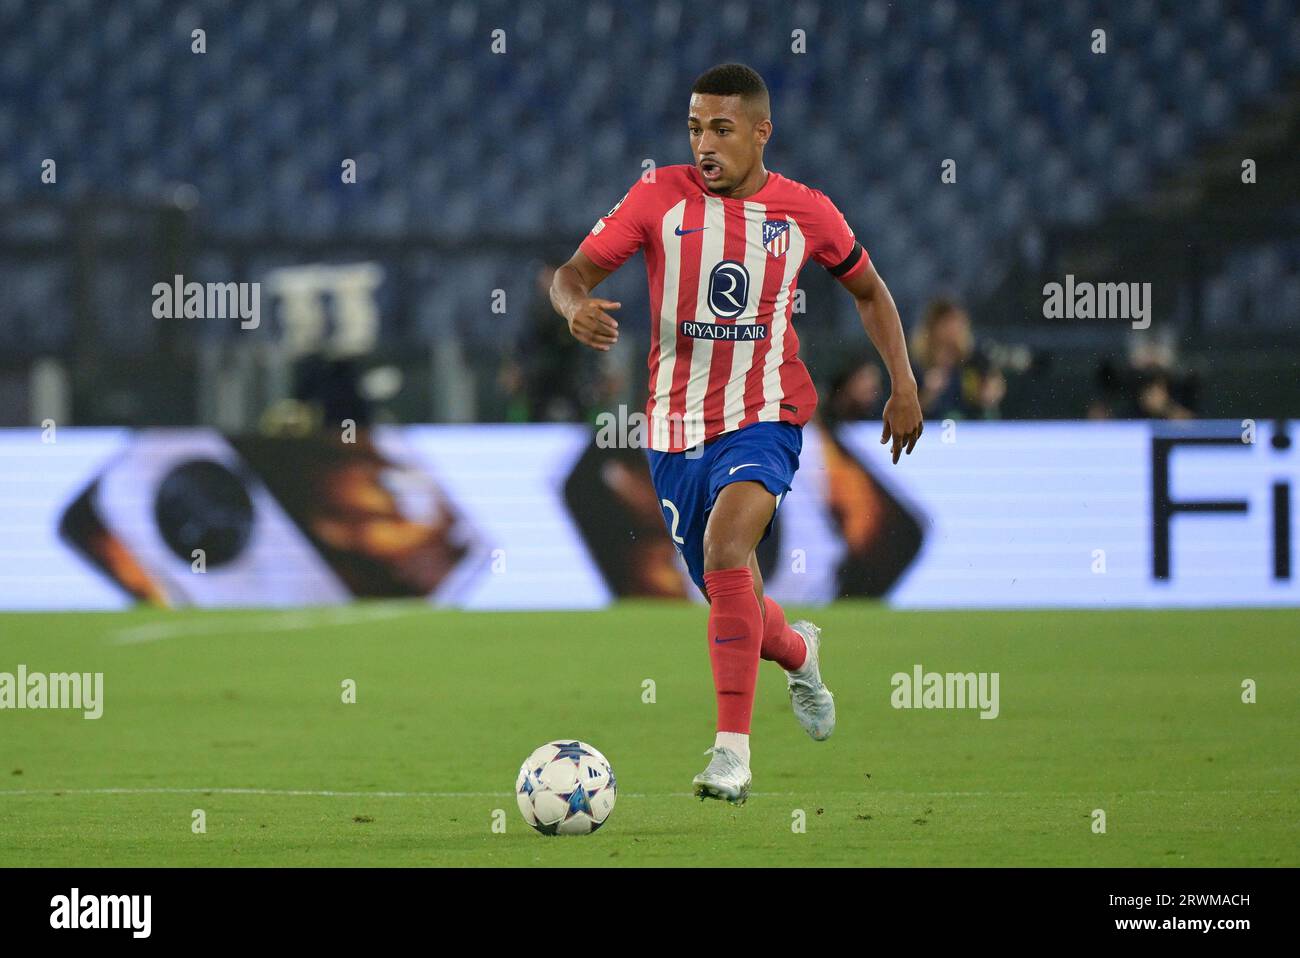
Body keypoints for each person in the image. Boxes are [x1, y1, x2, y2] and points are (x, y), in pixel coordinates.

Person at [548, 63, 923, 805]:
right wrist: (572, 308)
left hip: (766, 414)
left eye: (721, 129)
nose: (704, 144)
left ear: (761, 132)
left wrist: (904, 383)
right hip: (671, 428)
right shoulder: (659, 198)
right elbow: (572, 273)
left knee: (727, 550)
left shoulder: (805, 212)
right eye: (694, 128)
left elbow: (870, 291)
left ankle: (732, 754)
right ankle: (798, 652)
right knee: (732, 596)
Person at [912, 298, 1005, 420]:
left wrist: (990, 391)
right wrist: (929, 393)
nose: (954, 329)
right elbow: (909, 409)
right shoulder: (917, 362)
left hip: (970, 425)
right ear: (934, 326)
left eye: (958, 323)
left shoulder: (974, 356)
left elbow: (995, 385)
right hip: (930, 427)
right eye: (947, 323)